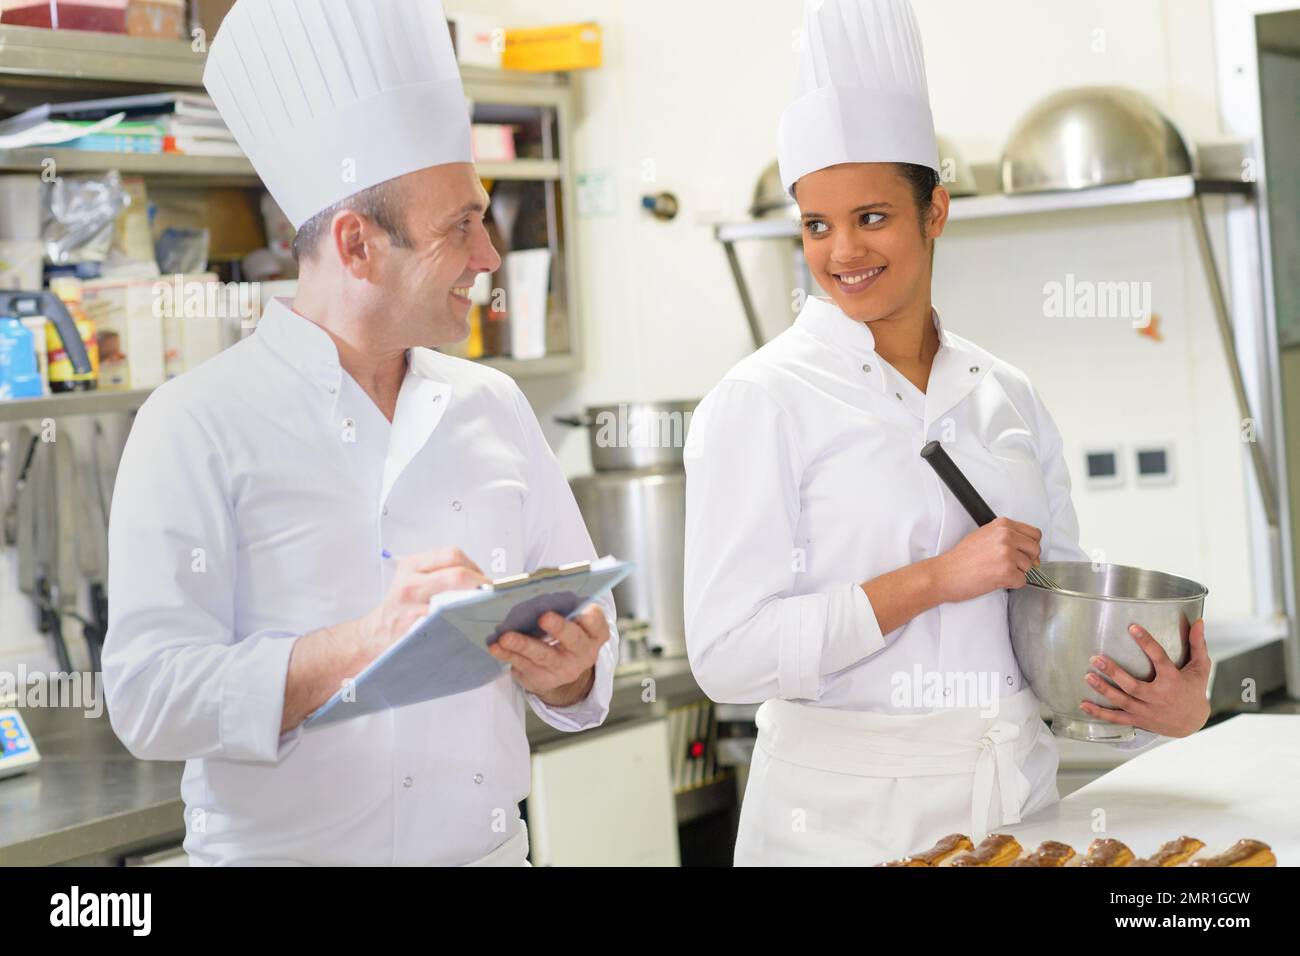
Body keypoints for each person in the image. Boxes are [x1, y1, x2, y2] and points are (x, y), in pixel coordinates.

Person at [682, 0, 1210, 866]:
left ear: (935, 211)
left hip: (1014, 813)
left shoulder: (1006, 395)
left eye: (872, 217)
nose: (842, 252)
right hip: (840, 831)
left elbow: (1057, 631)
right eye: (817, 224)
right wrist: (932, 581)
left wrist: (1167, 710)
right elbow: (727, 657)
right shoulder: (760, 401)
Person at [102, 0, 618, 866]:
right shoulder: (194, 424)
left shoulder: (493, 404)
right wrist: (367, 642)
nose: (488, 257)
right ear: (357, 246)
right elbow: (148, 697)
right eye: (460, 227)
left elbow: (587, 628)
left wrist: (571, 669)